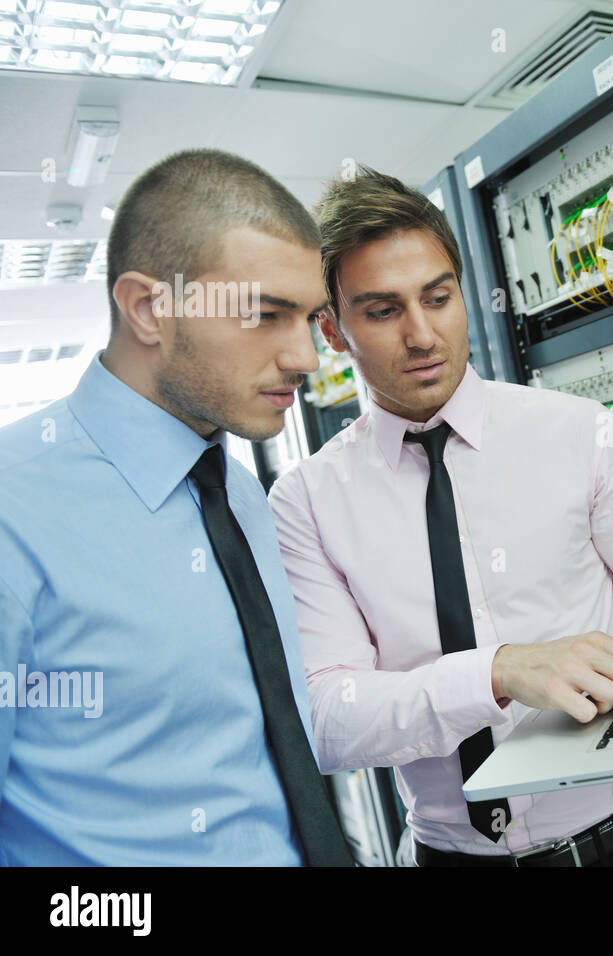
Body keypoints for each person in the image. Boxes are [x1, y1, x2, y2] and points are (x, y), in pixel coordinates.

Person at [268, 166, 613, 866]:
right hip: (455, 856)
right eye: (383, 311)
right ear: (332, 329)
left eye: (438, 298)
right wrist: (498, 674)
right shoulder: (306, 500)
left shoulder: (579, 431)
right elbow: (330, 720)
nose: (423, 334)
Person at [0, 149, 353, 865]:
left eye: (311, 318)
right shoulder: (15, 512)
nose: (307, 357)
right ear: (148, 308)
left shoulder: (237, 491)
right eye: (266, 313)